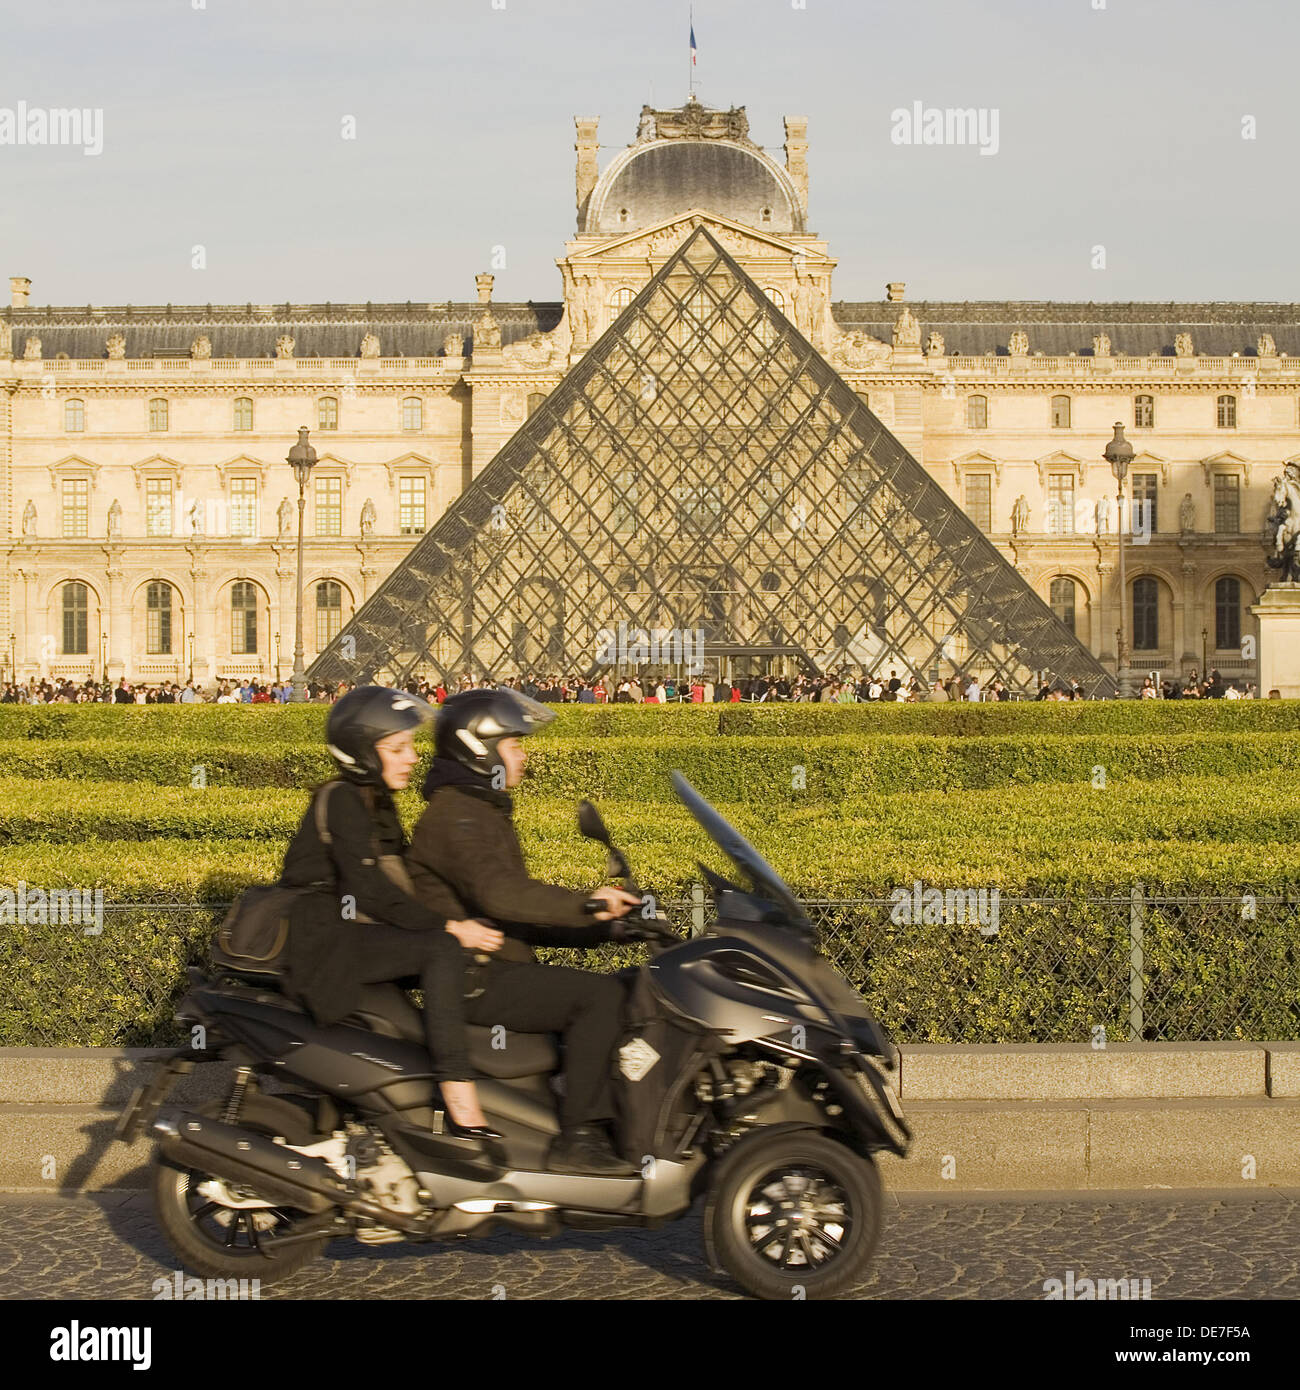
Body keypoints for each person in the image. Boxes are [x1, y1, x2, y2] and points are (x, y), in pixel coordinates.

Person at [405, 687, 644, 1177]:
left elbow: (515, 916)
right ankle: (579, 1137)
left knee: (629, 987)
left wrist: (604, 929)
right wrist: (588, 904)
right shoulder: (457, 815)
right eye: (514, 745)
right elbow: (503, 896)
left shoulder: (478, 809)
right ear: (481, 749)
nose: (523, 755)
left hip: (494, 968)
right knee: (599, 998)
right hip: (475, 979)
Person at [278, 686, 502, 1139]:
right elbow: (371, 891)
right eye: (398, 748)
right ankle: (458, 1093)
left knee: (443, 948)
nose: (413, 757)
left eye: (411, 745)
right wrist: (452, 927)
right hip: (324, 943)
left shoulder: (374, 801)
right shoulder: (344, 799)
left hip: (343, 934)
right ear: (363, 753)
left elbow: (405, 883)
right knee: (440, 949)